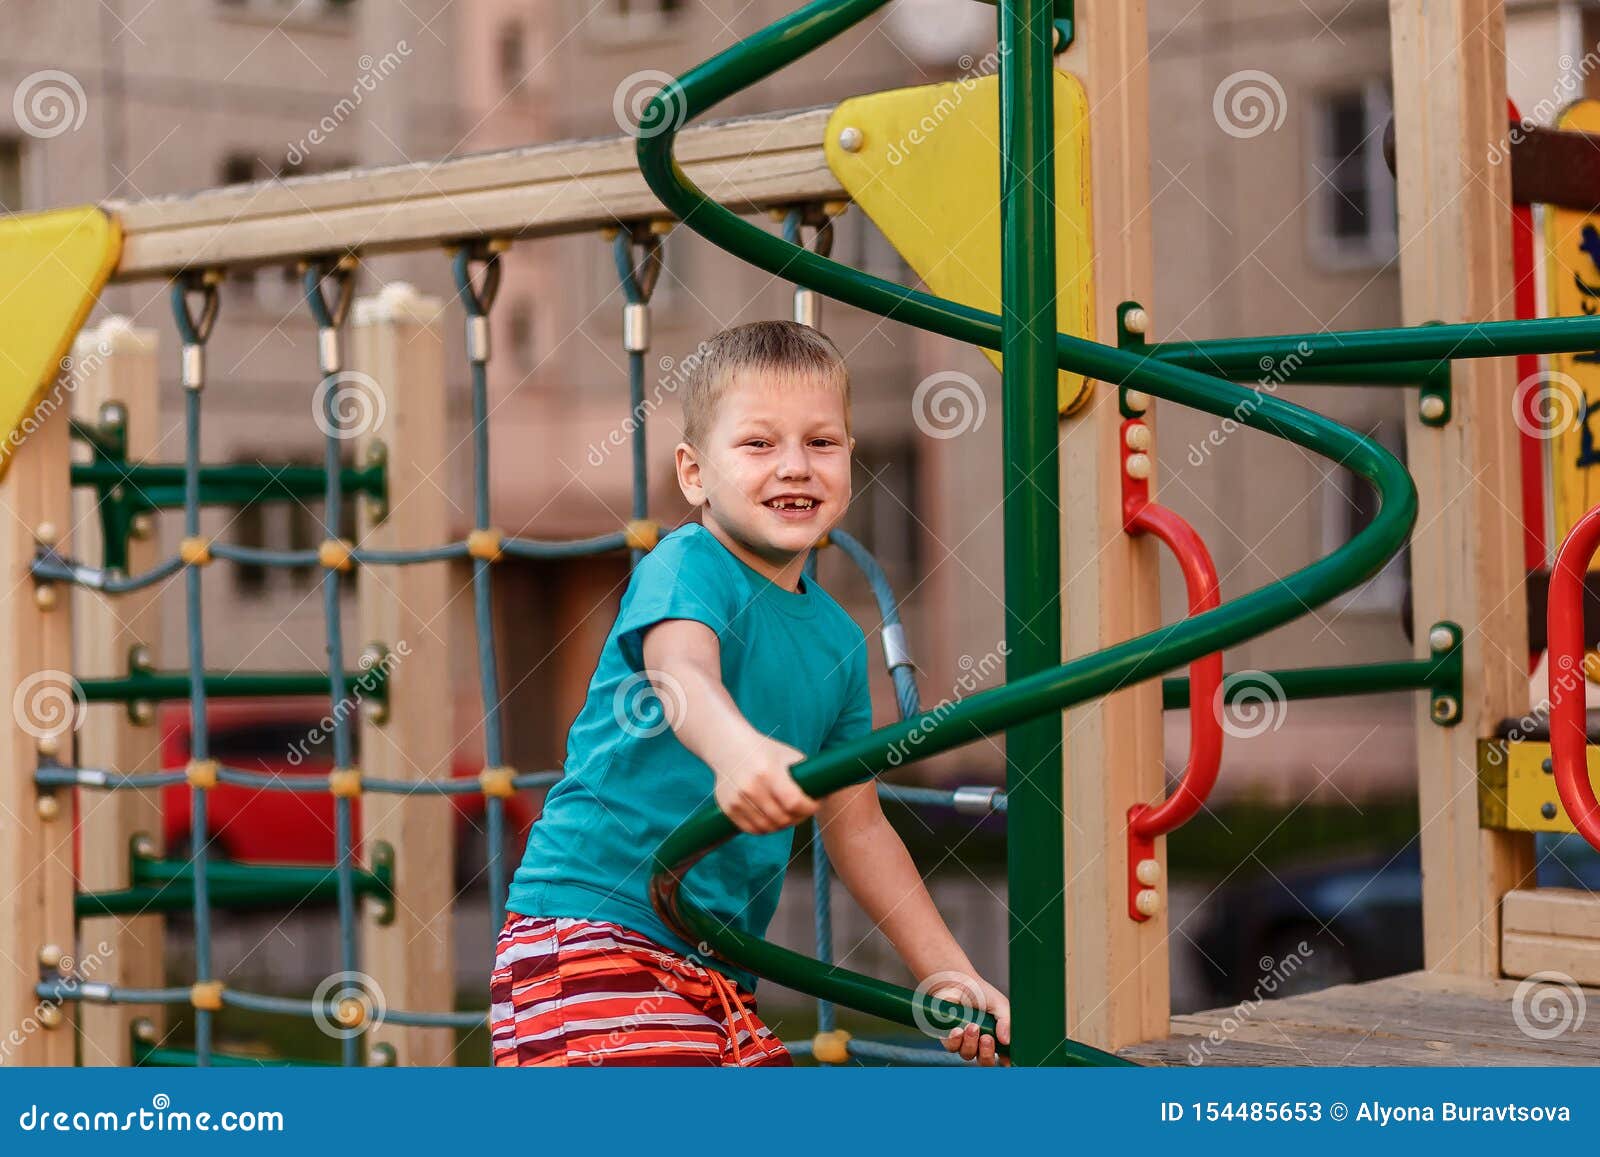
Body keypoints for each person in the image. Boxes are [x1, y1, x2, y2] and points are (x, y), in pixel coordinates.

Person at [490, 320, 1007, 1067]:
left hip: (716, 968)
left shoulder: (836, 639)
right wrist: (736, 751)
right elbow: (680, 675)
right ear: (695, 474)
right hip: (592, 932)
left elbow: (858, 829)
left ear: (850, 460)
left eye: (821, 443)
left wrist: (947, 972)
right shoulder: (688, 567)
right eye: (759, 444)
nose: (794, 466)